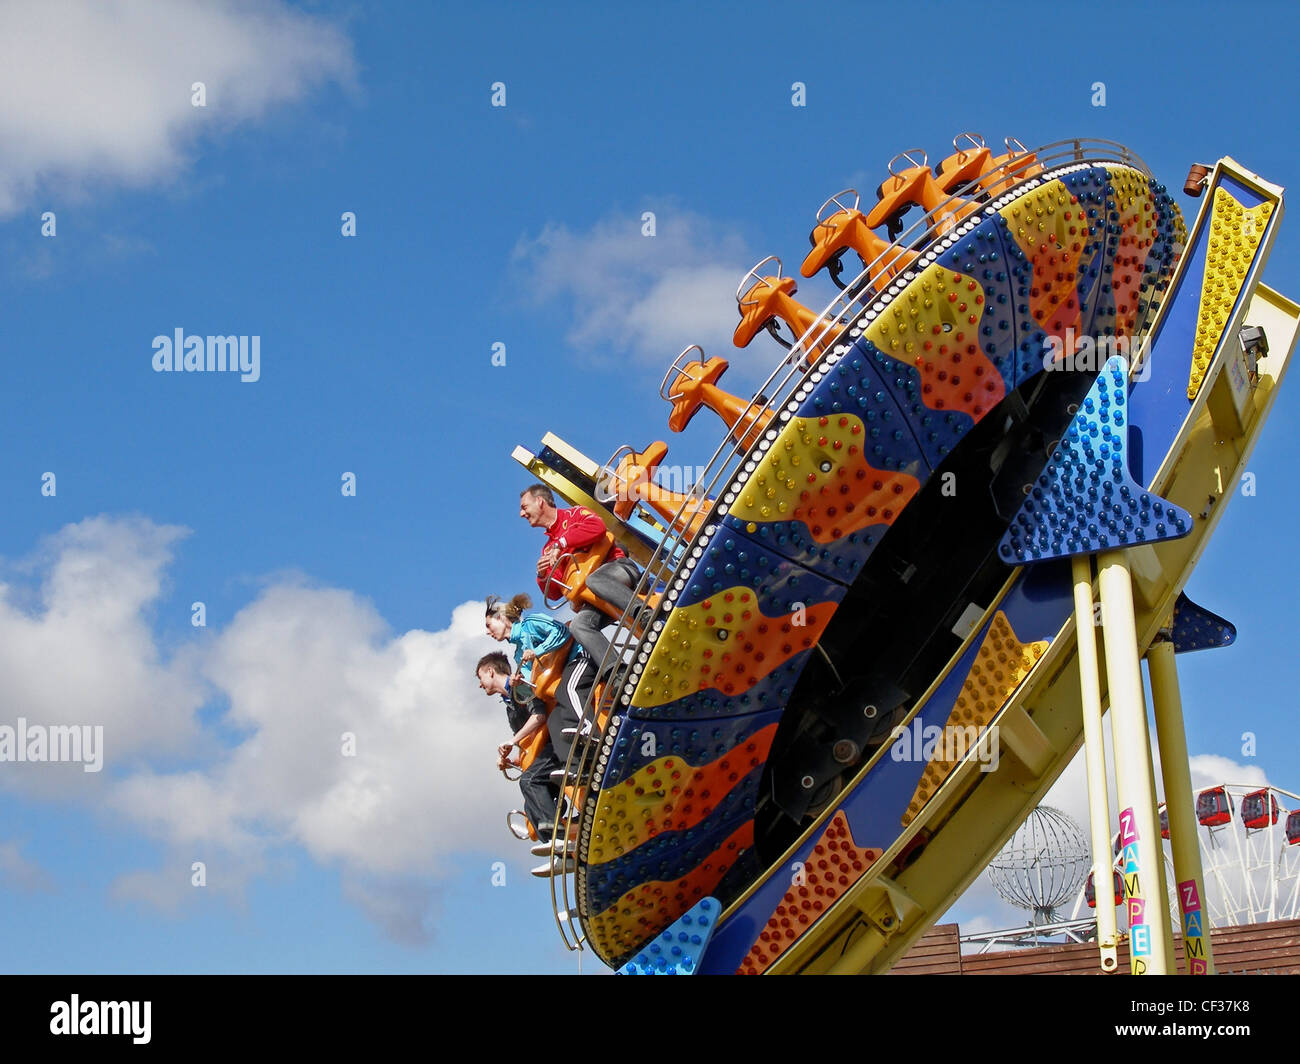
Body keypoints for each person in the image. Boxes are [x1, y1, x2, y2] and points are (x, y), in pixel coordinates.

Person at [484, 593, 594, 877]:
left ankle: (558, 832)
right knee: (531, 782)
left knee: (533, 779)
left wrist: (539, 653)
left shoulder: (530, 625)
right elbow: (534, 688)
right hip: (548, 712)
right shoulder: (518, 656)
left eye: (489, 625)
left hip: (573, 668)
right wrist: (514, 756)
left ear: (501, 618)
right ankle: (556, 837)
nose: (488, 632)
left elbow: (560, 633)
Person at [518, 483, 644, 675]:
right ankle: (615, 671)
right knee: (579, 625)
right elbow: (553, 594)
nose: (522, 514)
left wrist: (562, 543)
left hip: (618, 571)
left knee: (593, 580)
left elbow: (597, 527)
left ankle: (643, 615)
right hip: (595, 598)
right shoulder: (547, 549)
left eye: (524, 507)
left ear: (540, 501)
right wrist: (542, 575)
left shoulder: (573, 515)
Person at [475, 651, 565, 856]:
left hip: (557, 744)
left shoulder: (520, 685)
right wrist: (512, 761)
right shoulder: (509, 707)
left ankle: (559, 838)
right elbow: (529, 742)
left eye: (480, 678)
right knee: (530, 804)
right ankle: (560, 852)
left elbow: (539, 716)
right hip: (543, 752)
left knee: (530, 782)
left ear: (490, 672)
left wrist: (511, 741)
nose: (480, 685)